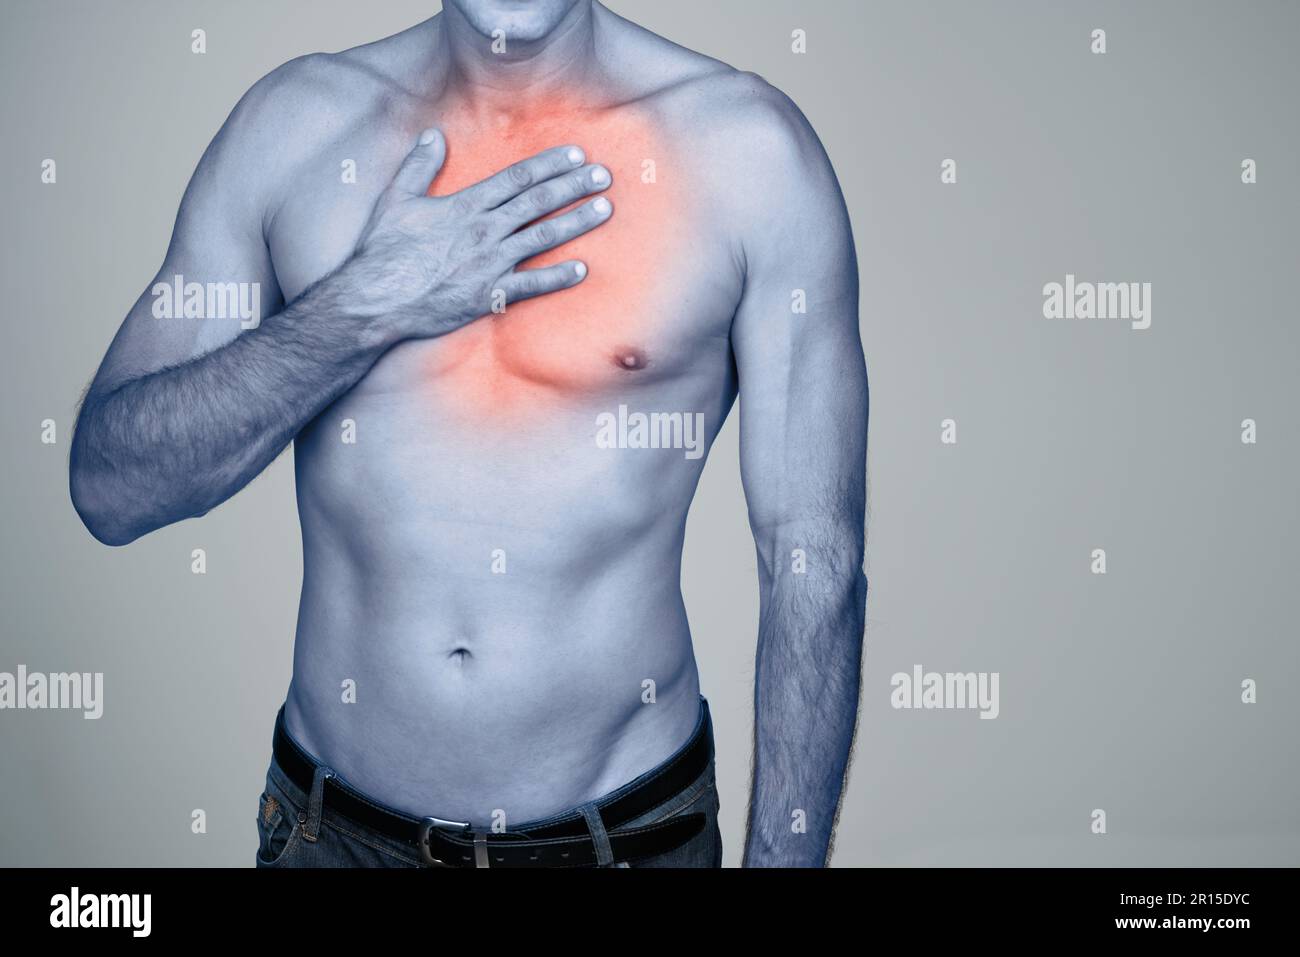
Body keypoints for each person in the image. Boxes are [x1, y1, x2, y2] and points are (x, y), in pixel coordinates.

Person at [69, 0, 868, 867]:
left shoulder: (748, 152)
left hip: (630, 841)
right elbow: (112, 486)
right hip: (334, 839)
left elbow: (813, 563)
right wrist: (360, 306)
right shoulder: (295, 127)